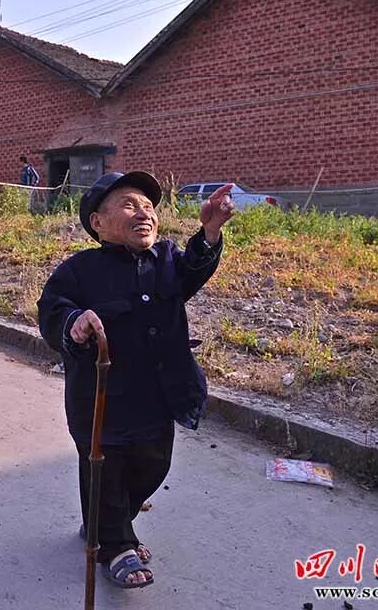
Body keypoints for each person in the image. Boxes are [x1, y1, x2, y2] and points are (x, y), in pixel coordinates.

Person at [37, 171, 237, 589]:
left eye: (148, 207)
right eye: (129, 205)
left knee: (153, 466)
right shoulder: (80, 270)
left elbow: (193, 271)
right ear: (99, 222)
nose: (143, 213)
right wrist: (74, 322)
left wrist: (210, 231)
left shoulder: (166, 259)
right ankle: (117, 545)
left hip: (157, 395)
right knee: (104, 469)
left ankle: (102, 524)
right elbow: (52, 310)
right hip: (101, 398)